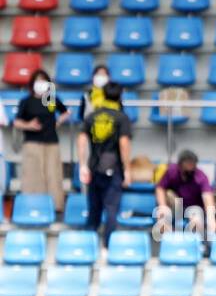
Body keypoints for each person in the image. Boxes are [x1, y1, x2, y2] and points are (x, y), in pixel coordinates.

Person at [78, 81, 132, 245]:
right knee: (111, 208)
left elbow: (81, 140)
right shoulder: (121, 117)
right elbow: (124, 144)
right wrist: (127, 170)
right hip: (113, 168)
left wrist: (83, 165)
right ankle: (108, 246)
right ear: (120, 96)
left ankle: (88, 246)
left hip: (94, 167)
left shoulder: (92, 116)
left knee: (94, 209)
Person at [13, 70, 70, 213]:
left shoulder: (50, 99)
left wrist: (58, 122)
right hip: (32, 142)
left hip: (51, 141)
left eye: (43, 80)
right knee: (33, 175)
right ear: (32, 84)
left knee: (53, 174)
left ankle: (56, 207)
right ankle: (32, 206)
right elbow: (17, 122)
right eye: (38, 80)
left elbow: (66, 112)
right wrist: (29, 125)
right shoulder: (26, 101)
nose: (41, 83)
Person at [155, 149, 216, 238]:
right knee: (162, 218)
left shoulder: (200, 177)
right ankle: (169, 242)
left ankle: (198, 246)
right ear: (180, 165)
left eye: (192, 164)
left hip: (194, 208)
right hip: (176, 205)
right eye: (187, 163)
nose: (190, 166)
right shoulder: (172, 172)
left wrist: (211, 218)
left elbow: (208, 197)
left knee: (197, 221)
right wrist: (163, 206)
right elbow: (160, 188)